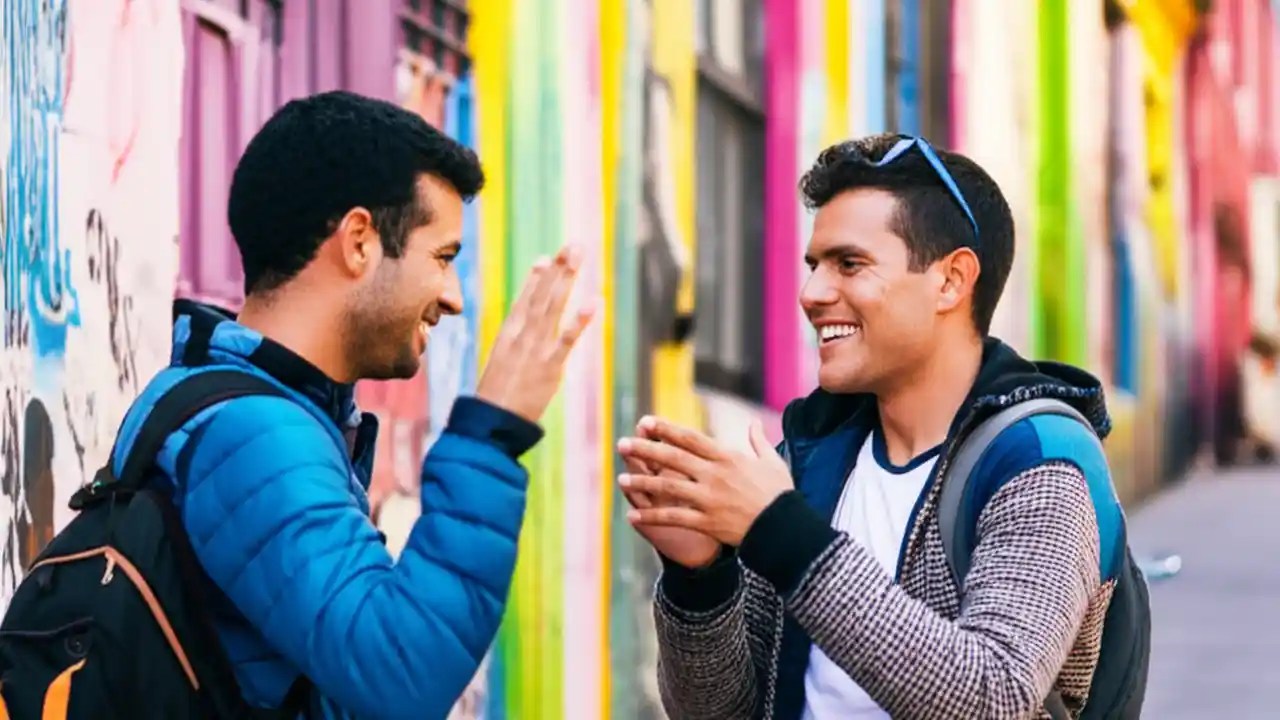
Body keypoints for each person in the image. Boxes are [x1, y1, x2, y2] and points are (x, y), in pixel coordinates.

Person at [113, 91, 592, 718]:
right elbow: (398, 671)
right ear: (360, 240)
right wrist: (491, 436)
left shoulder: (239, 409)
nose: (453, 298)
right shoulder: (255, 437)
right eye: (442, 258)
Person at [618, 134, 1128, 719]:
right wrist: (701, 579)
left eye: (850, 264)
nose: (812, 294)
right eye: (814, 266)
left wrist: (787, 538)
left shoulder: (1040, 463)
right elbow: (721, 714)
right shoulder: (811, 460)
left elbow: (996, 695)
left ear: (951, 281)